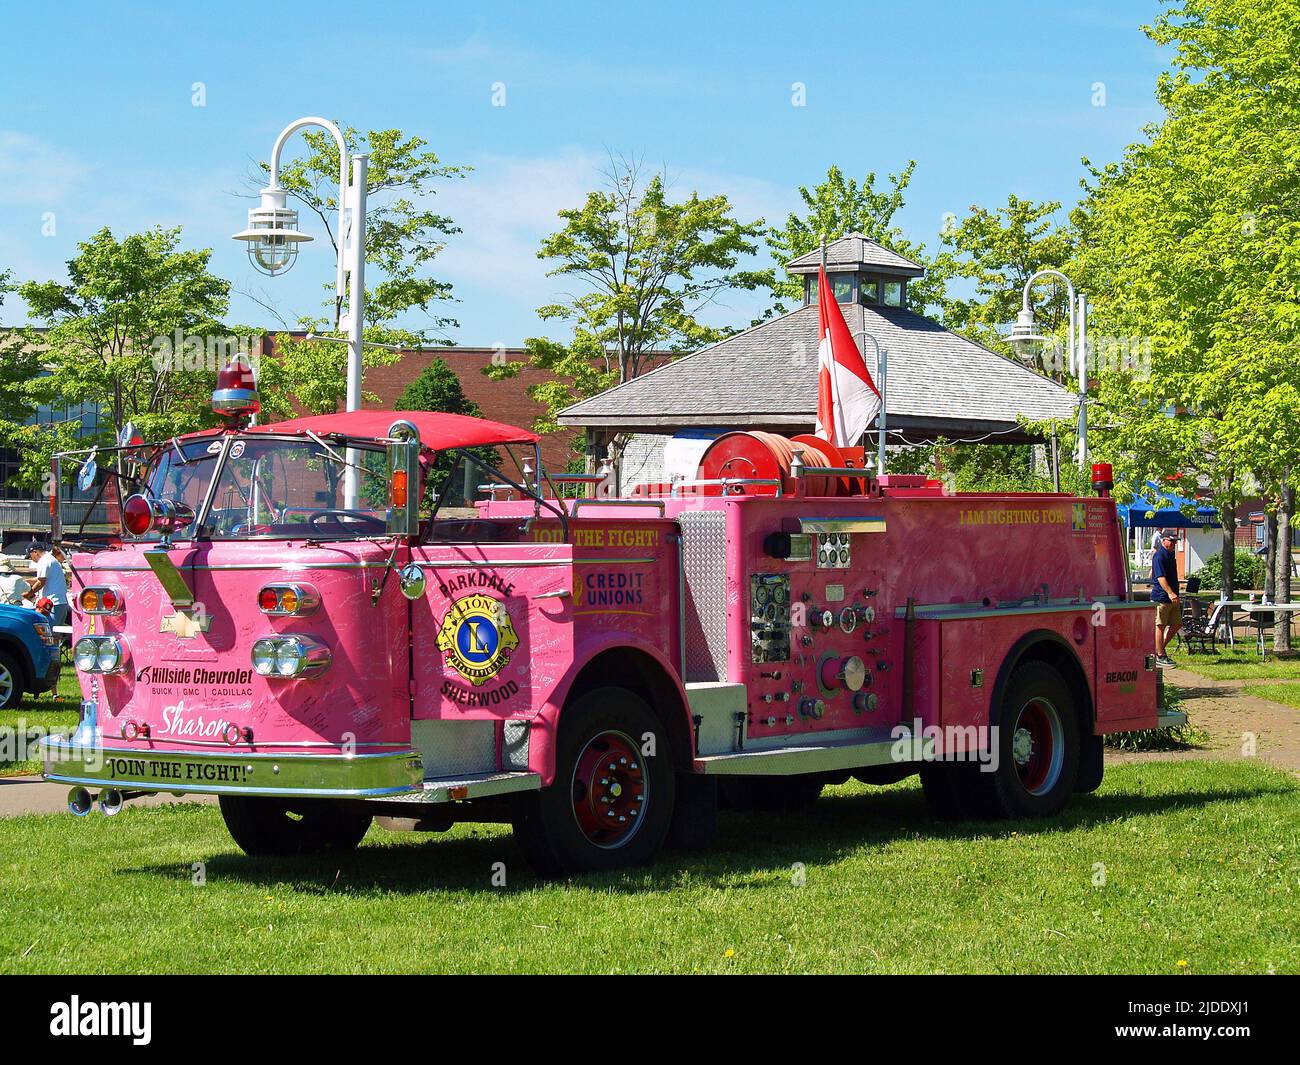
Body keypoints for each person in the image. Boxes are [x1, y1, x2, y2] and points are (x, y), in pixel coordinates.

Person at [1150, 528, 1181, 667]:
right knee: (1160, 625)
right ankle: (1160, 655)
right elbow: (1160, 578)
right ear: (1163, 540)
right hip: (1161, 597)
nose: (1174, 544)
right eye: (1171, 541)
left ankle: (1159, 649)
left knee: (1177, 624)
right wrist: (1170, 592)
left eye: (1175, 542)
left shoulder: (1170, 555)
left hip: (1173, 597)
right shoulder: (1159, 556)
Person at [22, 541, 69, 626]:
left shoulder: (43, 561)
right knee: (57, 633)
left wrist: (28, 594)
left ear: (35, 552)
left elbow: (41, 582)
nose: (30, 559)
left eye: (30, 556)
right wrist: (25, 581)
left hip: (51, 604)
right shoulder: (50, 559)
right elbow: (43, 578)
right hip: (60, 602)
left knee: (48, 632)